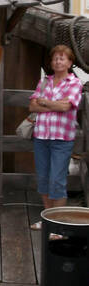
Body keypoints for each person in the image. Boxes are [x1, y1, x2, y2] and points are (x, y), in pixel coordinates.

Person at [29, 44, 83, 229]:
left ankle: (58, 224)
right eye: (55, 58)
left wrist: (45, 102)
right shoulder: (45, 82)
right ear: (51, 63)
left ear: (69, 62)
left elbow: (66, 107)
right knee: (43, 179)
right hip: (41, 136)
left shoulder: (75, 83)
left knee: (57, 181)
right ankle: (48, 221)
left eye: (62, 58)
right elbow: (32, 106)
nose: (58, 61)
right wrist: (53, 103)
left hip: (62, 138)